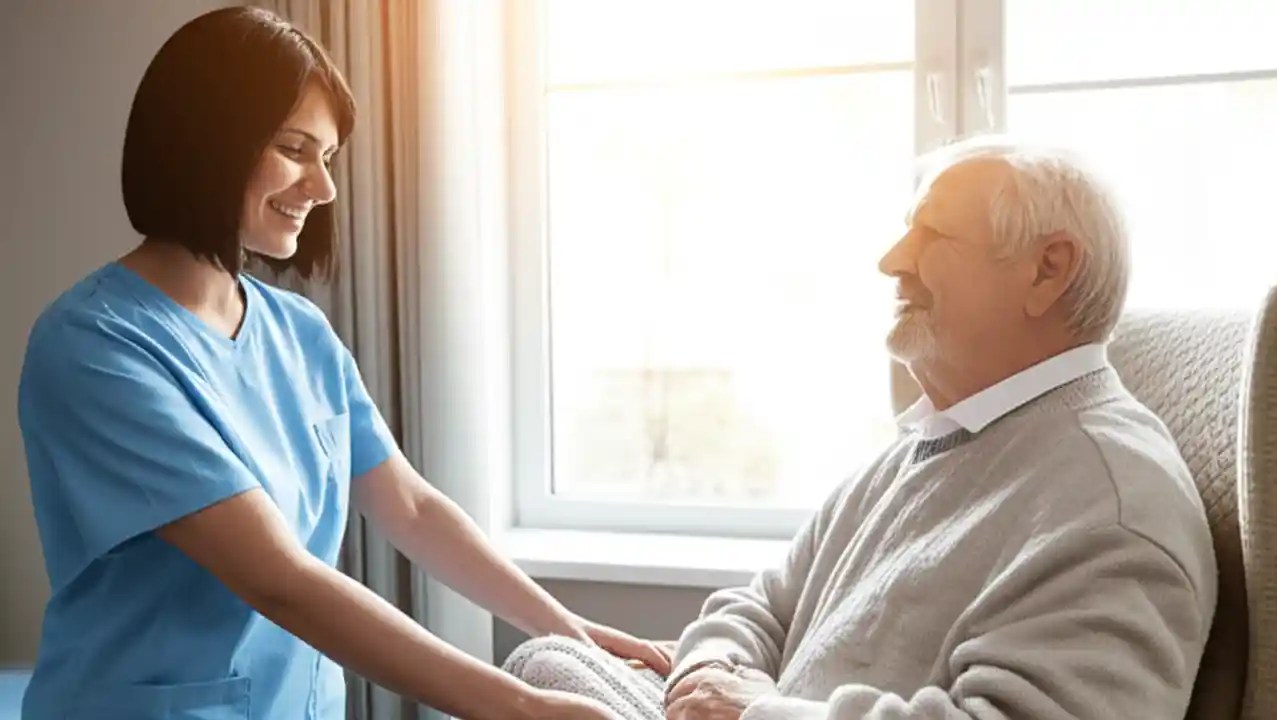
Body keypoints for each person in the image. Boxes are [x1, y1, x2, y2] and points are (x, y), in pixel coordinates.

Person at [16, 7, 667, 719]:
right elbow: (279, 579)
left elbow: (411, 508)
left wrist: (570, 635)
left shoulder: (299, 332)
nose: (323, 187)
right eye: (296, 149)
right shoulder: (94, 346)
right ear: (207, 140)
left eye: (326, 158)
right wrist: (518, 707)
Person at [503, 137, 1218, 720]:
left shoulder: (1114, 508)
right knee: (546, 665)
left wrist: (758, 714)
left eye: (932, 233)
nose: (891, 261)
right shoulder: (927, 446)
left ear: (1048, 269)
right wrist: (709, 673)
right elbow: (760, 603)